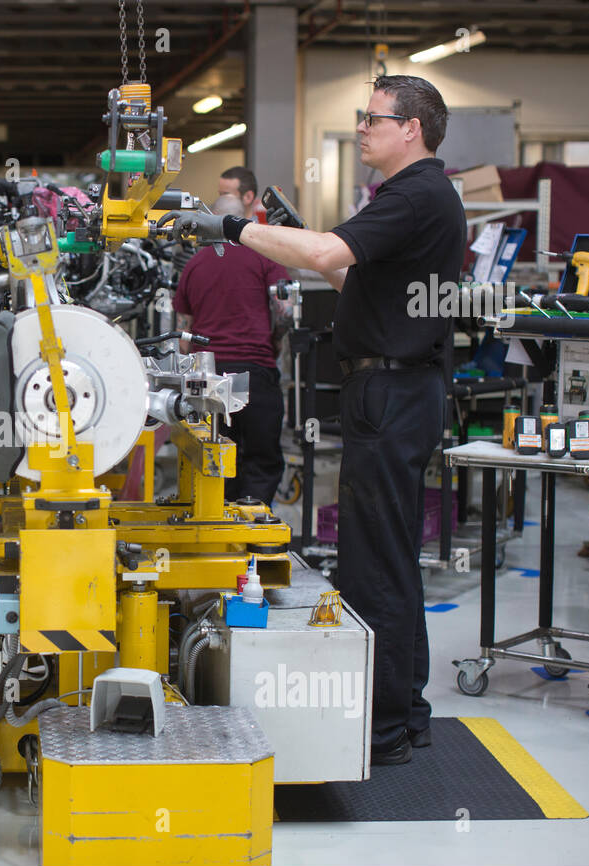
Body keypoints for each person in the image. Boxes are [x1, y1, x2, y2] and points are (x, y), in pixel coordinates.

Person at [170, 75, 466, 765]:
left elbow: (329, 254)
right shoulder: (413, 197)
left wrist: (237, 229)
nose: (363, 127)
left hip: (391, 395)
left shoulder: (416, 193)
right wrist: (285, 233)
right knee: (389, 555)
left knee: (373, 564)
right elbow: (349, 279)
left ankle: (384, 728)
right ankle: (407, 710)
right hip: (397, 389)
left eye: (373, 118)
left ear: (411, 129)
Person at [173, 191, 290, 504]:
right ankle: (253, 534)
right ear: (243, 220)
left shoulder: (194, 265)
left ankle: (218, 529)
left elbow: (184, 331)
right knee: (261, 459)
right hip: (255, 372)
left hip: (209, 376)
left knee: (214, 456)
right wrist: (274, 345)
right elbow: (285, 309)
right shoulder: (265, 256)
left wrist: (187, 376)